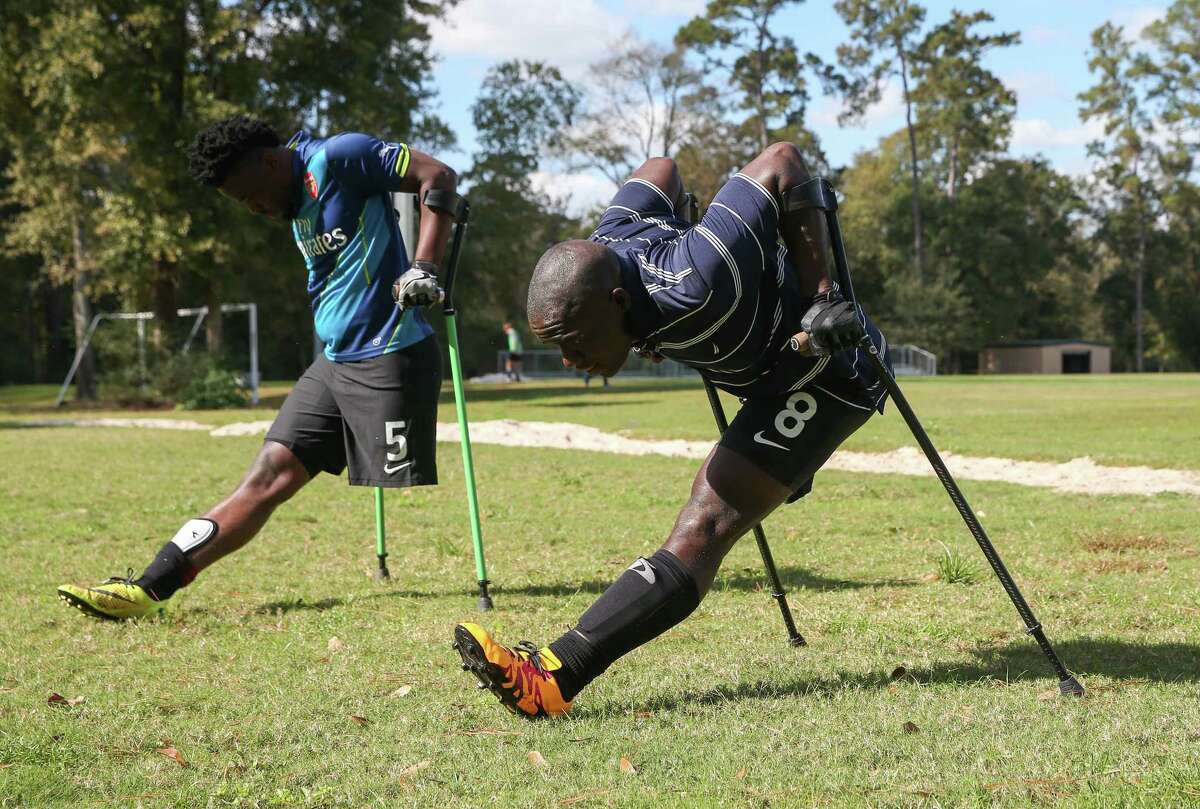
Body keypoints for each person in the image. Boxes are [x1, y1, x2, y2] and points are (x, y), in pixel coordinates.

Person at [452, 142, 891, 717]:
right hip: (764, 379)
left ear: (616, 301)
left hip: (828, 372)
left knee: (704, 524)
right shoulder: (617, 235)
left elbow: (781, 159)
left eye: (575, 340)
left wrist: (821, 299)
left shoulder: (695, 279)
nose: (569, 360)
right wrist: (674, 214)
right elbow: (660, 168)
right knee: (707, 515)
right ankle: (554, 677)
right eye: (556, 346)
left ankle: (552, 680)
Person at [57, 115, 459, 619]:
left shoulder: (341, 157)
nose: (255, 210)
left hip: (390, 354)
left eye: (250, 197)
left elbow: (438, 175)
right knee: (266, 475)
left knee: (331, 478)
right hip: (334, 363)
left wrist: (423, 265)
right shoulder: (293, 195)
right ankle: (146, 589)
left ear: (270, 162)